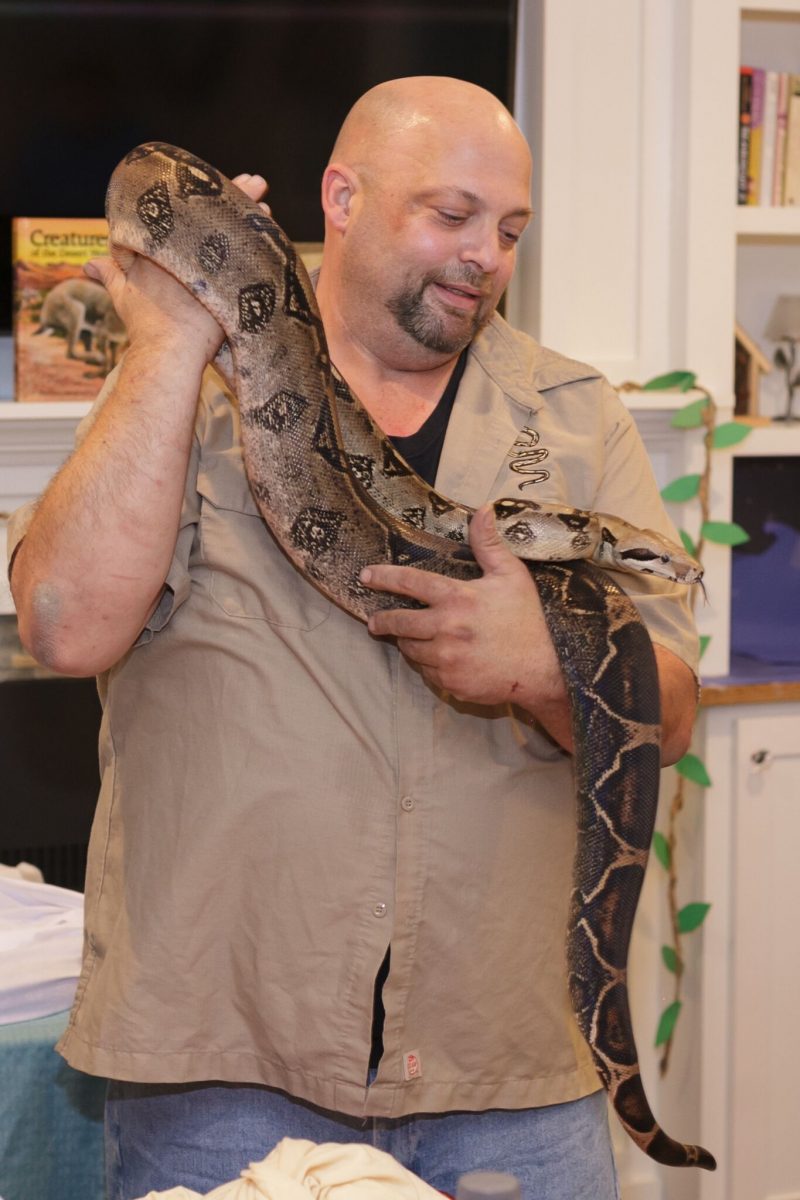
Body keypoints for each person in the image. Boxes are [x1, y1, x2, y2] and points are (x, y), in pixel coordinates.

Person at [8, 77, 698, 1199]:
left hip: (508, 1076)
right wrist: (169, 342)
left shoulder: (574, 420)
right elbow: (64, 625)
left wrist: (541, 664)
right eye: (450, 213)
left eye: (509, 229)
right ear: (341, 196)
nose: (484, 254)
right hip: (218, 1065)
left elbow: (666, 713)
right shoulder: (188, 391)